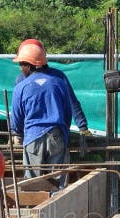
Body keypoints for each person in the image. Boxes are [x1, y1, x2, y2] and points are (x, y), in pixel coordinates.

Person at [9, 40, 91, 181]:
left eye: (21, 64)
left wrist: (17, 133)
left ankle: (34, 203)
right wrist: (65, 129)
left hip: (33, 138)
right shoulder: (58, 81)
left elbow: (16, 115)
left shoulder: (21, 86)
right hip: (57, 136)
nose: (20, 67)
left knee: (32, 185)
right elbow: (68, 110)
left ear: (29, 64)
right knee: (58, 186)